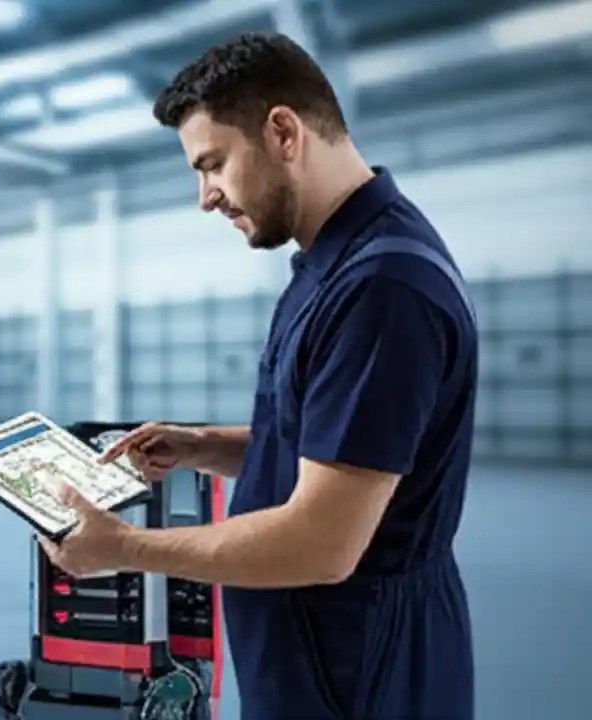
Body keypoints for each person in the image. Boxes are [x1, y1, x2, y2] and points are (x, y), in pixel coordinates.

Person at [38, 32, 478, 719]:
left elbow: (322, 541)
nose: (205, 197)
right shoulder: (333, 264)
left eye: (212, 164)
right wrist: (204, 445)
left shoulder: (382, 290)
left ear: (282, 131)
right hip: (314, 656)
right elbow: (336, 445)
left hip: (357, 669)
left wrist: (120, 548)